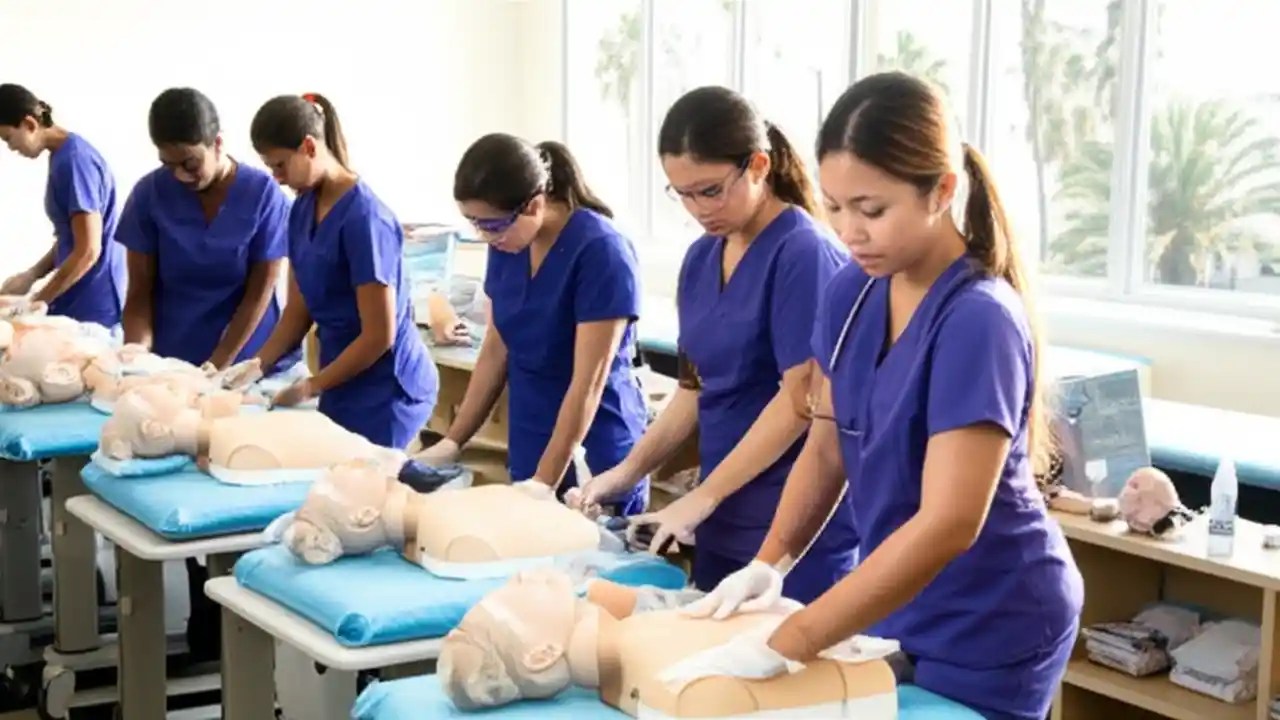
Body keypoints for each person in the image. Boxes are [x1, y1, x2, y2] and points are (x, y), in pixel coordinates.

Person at [682, 72, 1083, 720]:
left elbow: (951, 521)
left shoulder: (978, 319)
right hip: (907, 606)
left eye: (871, 210)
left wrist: (796, 637)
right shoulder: (851, 294)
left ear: (941, 192)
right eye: (836, 207)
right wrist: (769, 564)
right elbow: (826, 451)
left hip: (996, 617)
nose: (849, 231)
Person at [570, 86, 858, 604]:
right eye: (681, 193)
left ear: (758, 166)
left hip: (794, 525)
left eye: (710, 190)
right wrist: (626, 472)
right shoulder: (702, 259)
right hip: (721, 517)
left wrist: (703, 497)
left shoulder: (803, 254)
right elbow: (693, 390)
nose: (698, 208)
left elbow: (800, 404)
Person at [418, 134, 647, 509]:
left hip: (596, 433)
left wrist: (545, 482)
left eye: (490, 225)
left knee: (595, 554)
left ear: (534, 205)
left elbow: (587, 384)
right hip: (533, 424)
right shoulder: (507, 243)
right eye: (473, 223)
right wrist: (452, 441)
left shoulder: (602, 251)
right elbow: (496, 349)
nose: (483, 235)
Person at [248, 93, 437, 450]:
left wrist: (311, 386)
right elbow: (297, 311)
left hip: (386, 388)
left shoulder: (365, 218)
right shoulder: (302, 210)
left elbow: (379, 335)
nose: (277, 179)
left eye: (281, 165)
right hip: (341, 379)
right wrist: (256, 365)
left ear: (308, 146)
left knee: (367, 494)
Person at [116, 87, 301, 373]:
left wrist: (216, 367)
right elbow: (140, 292)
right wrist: (137, 355)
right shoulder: (149, 195)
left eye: (190, 163)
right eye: (168, 164)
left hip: (245, 363)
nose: (179, 175)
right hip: (173, 362)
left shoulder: (262, 195)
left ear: (217, 143)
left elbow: (258, 295)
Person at [0, 84, 126, 328]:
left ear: (29, 124)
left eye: (8, 139)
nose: (11, 148)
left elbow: (88, 250)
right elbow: (72, 236)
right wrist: (32, 275)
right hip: (75, 298)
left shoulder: (75, 161)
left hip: (93, 305)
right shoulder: (62, 156)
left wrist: (36, 302)